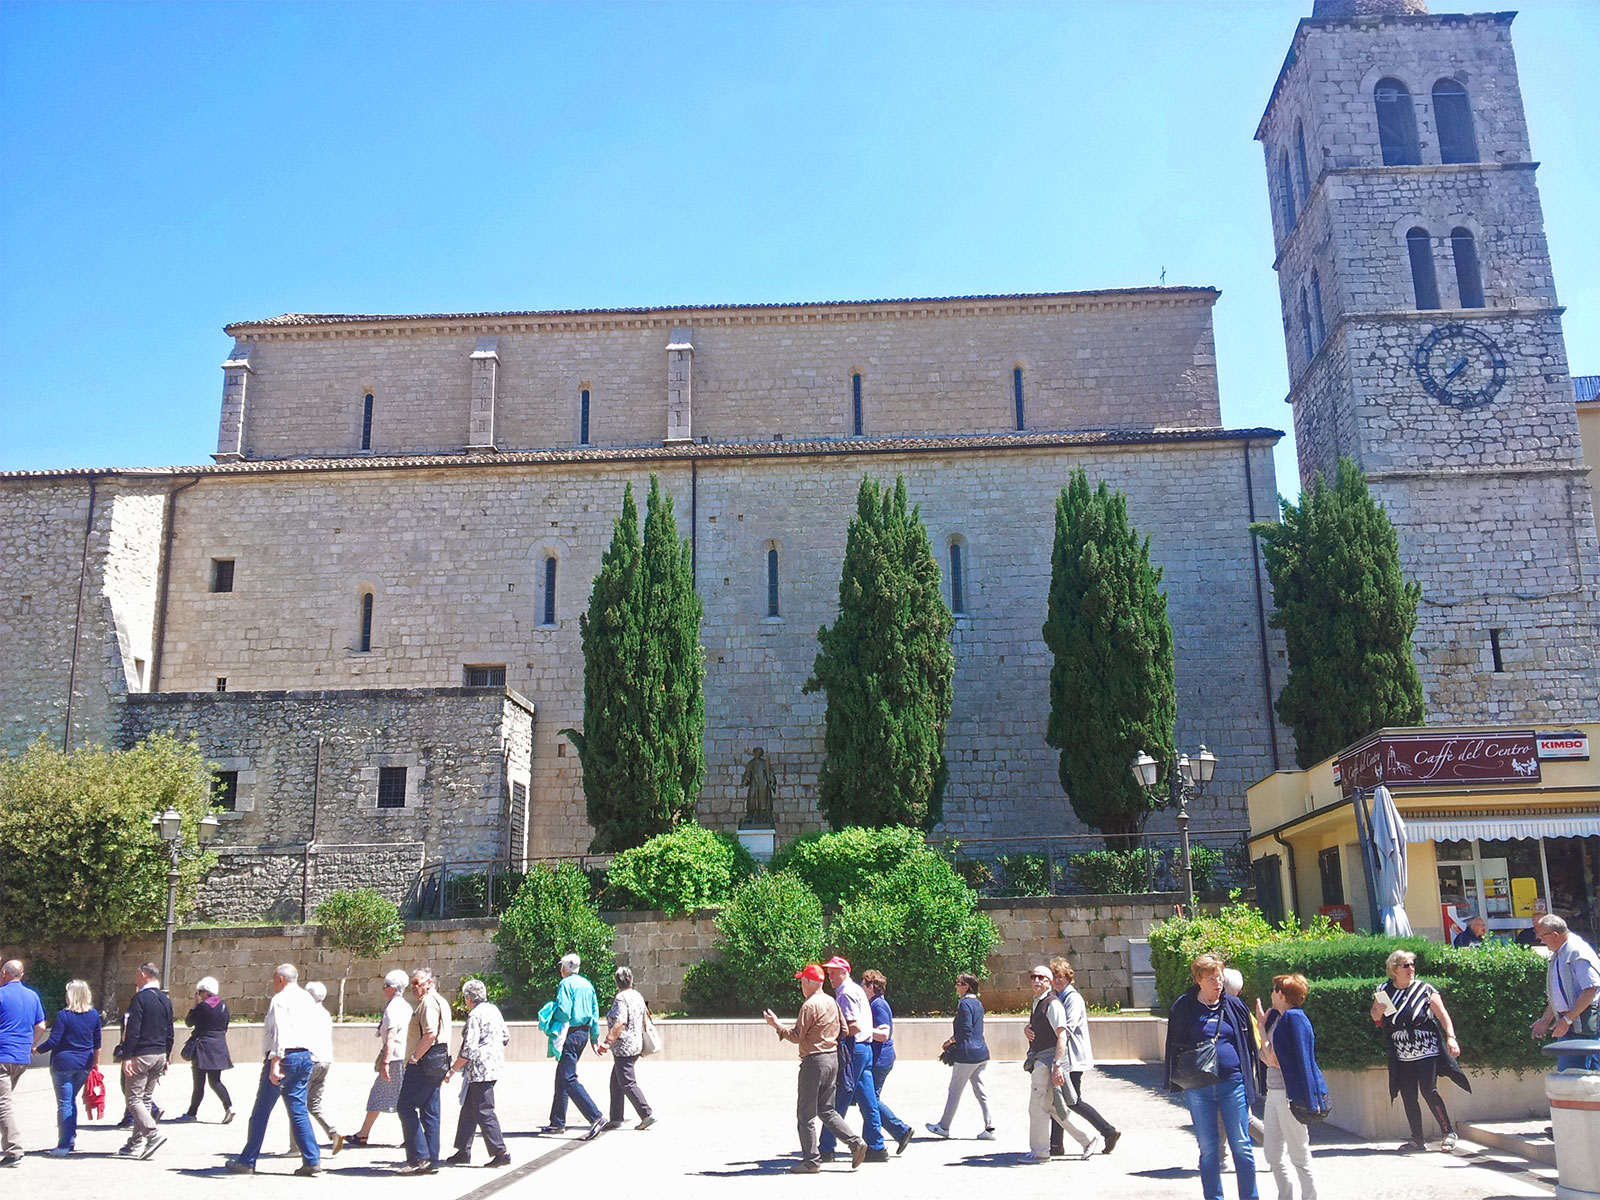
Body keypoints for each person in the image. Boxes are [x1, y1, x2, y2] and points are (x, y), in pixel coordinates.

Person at [1164, 953, 1259, 1200]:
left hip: (1232, 1083)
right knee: (1208, 1149)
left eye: (1220, 977)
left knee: (1241, 1146)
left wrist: (1251, 1078)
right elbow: (1174, 1045)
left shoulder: (1234, 1005)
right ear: (1199, 980)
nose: (1218, 983)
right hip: (1199, 1087)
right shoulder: (1184, 1007)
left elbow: (1247, 1043)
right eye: (1212, 978)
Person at [763, 964, 866, 1173]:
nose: (801, 985)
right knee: (827, 1110)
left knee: (805, 1114)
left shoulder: (809, 1006)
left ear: (808, 983)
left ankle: (811, 1161)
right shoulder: (832, 1001)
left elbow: (796, 1036)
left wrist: (777, 1026)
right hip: (832, 1060)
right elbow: (845, 1030)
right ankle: (855, 1143)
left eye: (802, 981)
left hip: (814, 1062)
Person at [226, 963, 322, 1176]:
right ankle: (312, 1159)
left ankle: (247, 1161)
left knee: (261, 1111)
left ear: (280, 979)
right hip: (304, 1055)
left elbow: (279, 1032)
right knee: (298, 1109)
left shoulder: (279, 1000)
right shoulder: (307, 998)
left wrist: (275, 1063)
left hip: (285, 1057)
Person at [1369, 949, 1468, 1152]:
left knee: (1428, 1089)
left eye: (1413, 965)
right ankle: (1417, 1138)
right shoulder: (1384, 991)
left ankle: (1448, 1131)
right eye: (1406, 965)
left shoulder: (1425, 989)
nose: (1411, 969)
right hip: (1402, 1051)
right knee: (1407, 1093)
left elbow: (1442, 1015)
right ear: (1394, 969)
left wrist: (1451, 1038)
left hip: (1427, 1048)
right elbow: (1375, 1016)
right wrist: (1376, 1012)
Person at [1255, 974, 1326, 1200]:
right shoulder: (1282, 1018)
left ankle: (1310, 1197)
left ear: (1282, 994)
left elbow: (1273, 1059)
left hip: (1289, 1094)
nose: (1271, 994)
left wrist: (1260, 1027)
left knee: (1298, 1153)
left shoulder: (1292, 1019)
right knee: (1273, 1153)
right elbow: (1267, 1056)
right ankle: (1285, 1196)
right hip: (1274, 1092)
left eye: (1274, 990)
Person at [1042, 956, 1120, 1156]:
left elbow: (1067, 1028)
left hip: (1072, 1057)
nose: (1058, 980)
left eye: (1061, 977)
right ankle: (1056, 1145)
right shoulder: (1057, 997)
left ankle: (1107, 1130)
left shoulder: (1072, 998)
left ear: (1069, 978)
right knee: (1059, 1100)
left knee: (1071, 1100)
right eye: (1055, 977)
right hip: (1065, 1056)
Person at [1024, 964, 1098, 1162]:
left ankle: (1040, 1152)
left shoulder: (1053, 1003)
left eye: (1042, 977)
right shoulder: (1038, 1002)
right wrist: (1028, 1030)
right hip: (1042, 1059)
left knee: (1038, 1107)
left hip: (1048, 1062)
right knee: (1053, 1108)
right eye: (1033, 977)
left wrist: (1057, 1065)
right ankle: (1087, 1140)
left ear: (1048, 982)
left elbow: (1062, 1035)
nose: (1037, 980)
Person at [819, 955, 886, 1163]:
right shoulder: (856, 989)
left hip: (854, 1049)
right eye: (829, 971)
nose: (830, 975)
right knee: (868, 1101)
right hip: (864, 1049)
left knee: (838, 1100)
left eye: (833, 971)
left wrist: (832, 1033)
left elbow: (853, 1026)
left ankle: (826, 1147)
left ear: (844, 972)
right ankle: (877, 1147)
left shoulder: (846, 994)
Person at [539, 952, 605, 1140]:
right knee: (562, 1076)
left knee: (568, 1078)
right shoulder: (587, 985)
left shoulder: (565, 984)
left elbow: (564, 1011)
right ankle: (557, 1122)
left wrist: (551, 1016)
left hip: (570, 1033)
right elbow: (594, 1013)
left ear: (565, 968)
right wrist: (594, 1038)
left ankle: (596, 1117)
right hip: (583, 1033)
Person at [445, 978, 510, 1167]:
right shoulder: (493, 1010)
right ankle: (463, 1150)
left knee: (484, 1109)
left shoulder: (475, 1015)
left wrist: (453, 1069)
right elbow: (506, 1036)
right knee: (469, 1108)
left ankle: (501, 1151)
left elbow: (469, 1048)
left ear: (469, 997)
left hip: (480, 1070)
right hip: (494, 1066)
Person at [396, 966, 453, 1174]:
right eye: (412, 983)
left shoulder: (428, 1002)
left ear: (429, 983)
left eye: (417, 983)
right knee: (430, 1110)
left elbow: (430, 1034)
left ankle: (420, 1157)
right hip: (438, 1060)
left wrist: (414, 1057)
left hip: (424, 1061)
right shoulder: (442, 1002)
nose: (414, 987)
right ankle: (431, 1159)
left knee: (405, 1105)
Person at [37, 978, 102, 1156]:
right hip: (84, 1064)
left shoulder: (63, 1015)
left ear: (71, 996)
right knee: (71, 1100)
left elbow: (54, 1040)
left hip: (63, 1063)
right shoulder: (94, 1015)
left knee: (65, 1102)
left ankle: (64, 1144)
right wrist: (95, 1063)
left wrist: (36, 1050)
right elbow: (97, 1042)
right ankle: (70, 1137)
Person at [926, 973, 993, 1140]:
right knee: (981, 1090)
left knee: (954, 1091)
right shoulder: (978, 1003)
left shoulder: (964, 1004)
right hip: (982, 1052)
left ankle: (943, 1126)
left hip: (967, 1054)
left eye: (959, 983)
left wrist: (949, 1042)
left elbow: (965, 1031)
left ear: (967, 986)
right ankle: (990, 1126)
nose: (956, 986)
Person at [347, 968, 411, 1146]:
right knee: (403, 1098)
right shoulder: (405, 1006)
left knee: (379, 1096)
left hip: (395, 1058)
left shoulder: (393, 1008)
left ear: (393, 988)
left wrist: (386, 1062)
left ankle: (363, 1134)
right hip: (403, 1056)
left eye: (386, 986)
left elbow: (390, 1037)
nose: (383, 989)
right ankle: (411, 1135)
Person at [120, 961, 175, 1161]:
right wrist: (168, 1056)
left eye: (137, 974)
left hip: (142, 1054)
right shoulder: (165, 999)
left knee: (133, 1099)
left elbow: (133, 1030)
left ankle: (153, 1135)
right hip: (160, 1053)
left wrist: (127, 1056)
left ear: (143, 974)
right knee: (145, 1100)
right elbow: (170, 1030)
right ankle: (134, 1143)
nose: (135, 977)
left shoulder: (140, 999)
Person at [1530, 914, 1600, 1071]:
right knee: (1574, 1077)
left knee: (1577, 1078)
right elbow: (1559, 993)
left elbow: (1590, 989)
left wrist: (1568, 1019)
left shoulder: (1577, 952)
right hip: (1571, 1025)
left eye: (1542, 936)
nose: (1540, 940)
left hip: (1583, 1026)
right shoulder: (1560, 954)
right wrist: (1545, 1019)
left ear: (1555, 935)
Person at [594, 966, 655, 1131]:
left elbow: (620, 1021)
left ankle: (646, 1113)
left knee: (627, 1082)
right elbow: (644, 1017)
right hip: (635, 1044)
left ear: (617, 982)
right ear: (631, 980)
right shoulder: (637, 995)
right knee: (616, 1081)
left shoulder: (621, 998)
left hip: (624, 1047)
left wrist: (607, 1042)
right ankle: (616, 1117)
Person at [1, 960, 49, 1165]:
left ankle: (14, 1150)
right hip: (20, 1057)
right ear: (21, 975)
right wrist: (30, 1045)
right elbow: (41, 1025)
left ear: (4, 974)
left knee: (3, 1104)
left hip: (2, 1054)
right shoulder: (32, 996)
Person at [860, 970, 913, 1154]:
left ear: (871, 987)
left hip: (880, 1060)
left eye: (863, 984)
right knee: (868, 1099)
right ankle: (898, 1132)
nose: (861, 987)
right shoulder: (874, 1003)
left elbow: (883, 1034)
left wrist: (863, 1028)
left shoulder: (878, 1005)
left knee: (869, 1100)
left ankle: (899, 1131)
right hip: (879, 1058)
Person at [177, 976, 233, 1123]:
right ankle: (229, 1107)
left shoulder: (203, 1006)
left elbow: (189, 1022)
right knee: (215, 1081)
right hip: (219, 1046)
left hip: (202, 1047)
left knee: (199, 1083)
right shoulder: (223, 1006)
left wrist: (194, 1005)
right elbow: (224, 1026)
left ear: (206, 991)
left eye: (200, 991)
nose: (199, 995)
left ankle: (191, 1114)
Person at [301, 981, 342, 1154]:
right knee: (314, 1104)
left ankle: (296, 1146)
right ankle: (333, 1132)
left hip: (311, 1060)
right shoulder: (325, 1014)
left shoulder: (305, 1013)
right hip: (326, 1061)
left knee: (297, 1104)